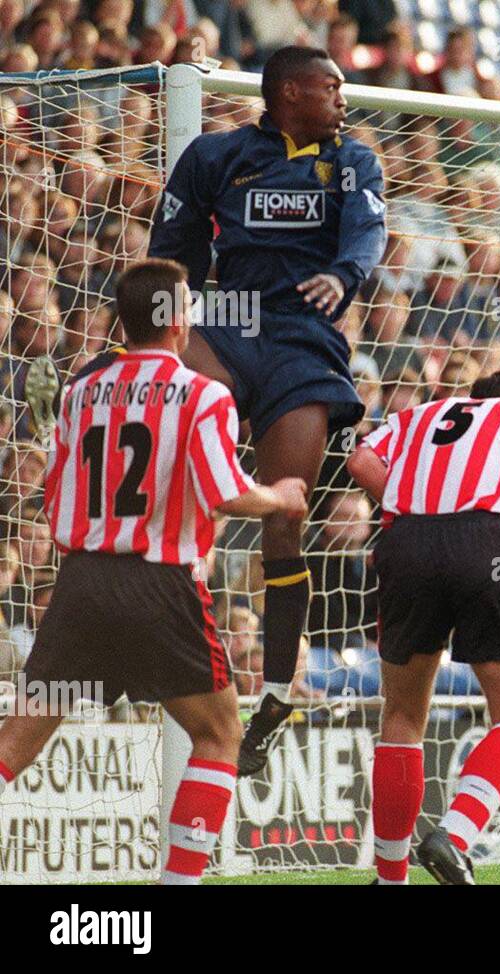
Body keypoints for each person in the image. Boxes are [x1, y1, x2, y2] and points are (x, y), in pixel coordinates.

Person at [0, 259, 307, 885]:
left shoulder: (81, 388)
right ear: (178, 321)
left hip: (81, 582)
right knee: (221, 735)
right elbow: (223, 492)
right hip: (159, 584)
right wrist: (281, 495)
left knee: (15, 743)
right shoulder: (201, 392)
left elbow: (55, 494)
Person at [146, 46, 386, 774]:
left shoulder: (352, 161)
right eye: (332, 84)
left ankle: (278, 691)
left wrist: (343, 274)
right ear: (290, 90)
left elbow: (368, 234)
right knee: (163, 406)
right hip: (229, 320)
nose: (344, 96)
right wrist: (156, 321)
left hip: (304, 344)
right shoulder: (216, 155)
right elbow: (172, 253)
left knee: (288, 517)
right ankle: (151, 590)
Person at [347, 368, 500, 885]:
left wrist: (411, 504)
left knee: (402, 716)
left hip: (406, 542)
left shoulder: (421, 414)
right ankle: (454, 835)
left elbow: (359, 459)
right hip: (488, 539)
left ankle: (389, 878)